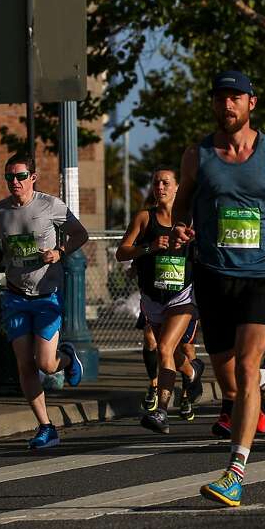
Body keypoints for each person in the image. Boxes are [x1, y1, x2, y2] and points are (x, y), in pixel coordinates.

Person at [171, 70, 265, 507]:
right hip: (213, 273)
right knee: (232, 383)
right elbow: (183, 203)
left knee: (243, 365)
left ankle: (235, 471)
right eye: (220, 98)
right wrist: (182, 229)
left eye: (235, 97)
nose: (227, 105)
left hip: (263, 274)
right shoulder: (197, 155)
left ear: (251, 103)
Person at [0, 152, 88, 449]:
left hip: (47, 296)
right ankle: (46, 426)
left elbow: (80, 233)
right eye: (9, 177)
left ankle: (66, 358)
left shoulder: (50, 205)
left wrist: (60, 252)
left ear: (33, 177)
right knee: (24, 365)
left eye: (20, 176)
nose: (14, 182)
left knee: (46, 365)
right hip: (15, 295)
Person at [115, 168, 198, 433]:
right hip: (152, 297)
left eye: (166, 183)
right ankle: (192, 373)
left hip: (182, 296)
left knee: (163, 348)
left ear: (176, 188)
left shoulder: (190, 218)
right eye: (156, 183)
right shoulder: (144, 218)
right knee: (172, 353)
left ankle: (162, 411)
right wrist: (148, 248)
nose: (160, 187)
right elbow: (121, 252)